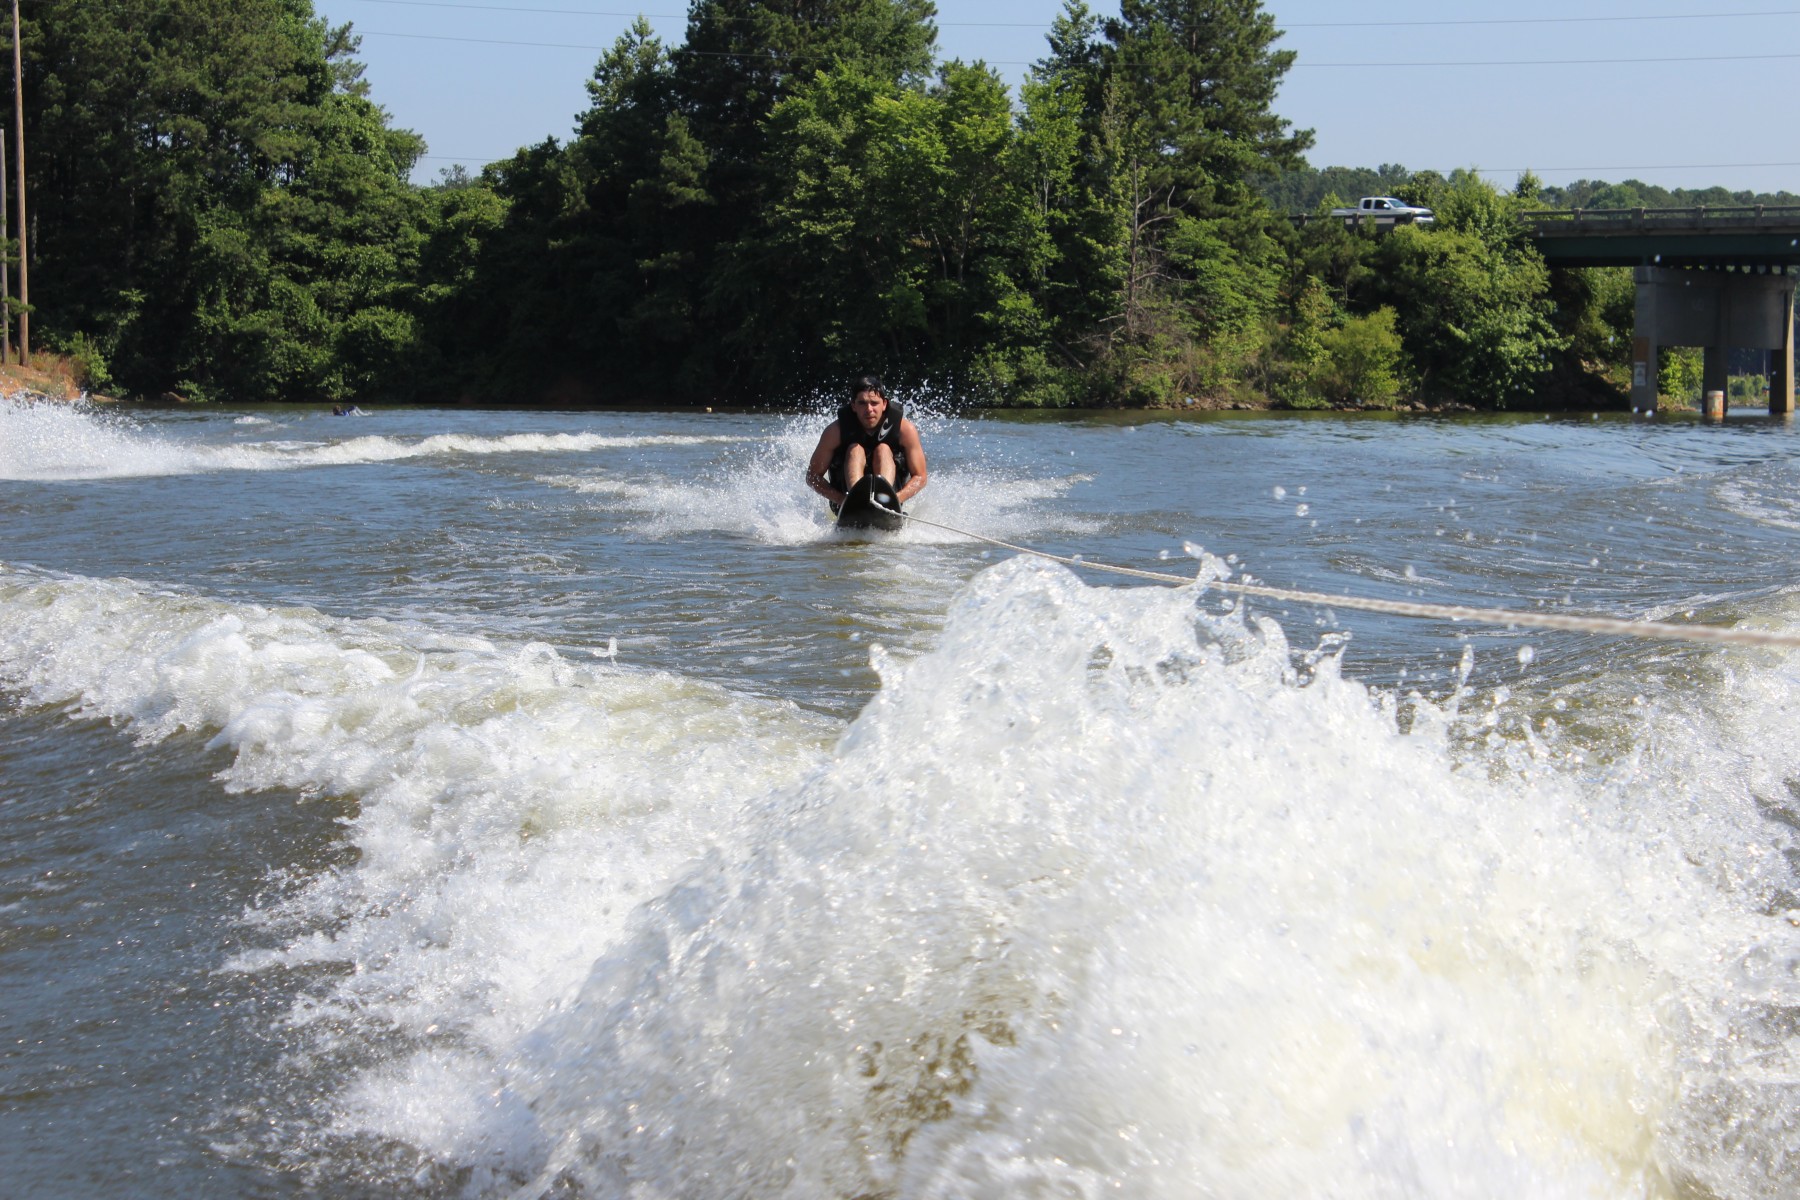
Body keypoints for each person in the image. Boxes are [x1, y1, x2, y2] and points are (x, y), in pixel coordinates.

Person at [806, 375, 928, 513]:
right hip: (845, 498)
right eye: (862, 403)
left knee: (883, 449)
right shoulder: (835, 431)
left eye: (874, 403)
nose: (869, 409)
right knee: (855, 449)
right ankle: (856, 500)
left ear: (884, 404)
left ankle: (885, 499)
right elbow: (812, 476)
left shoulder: (905, 430)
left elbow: (920, 476)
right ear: (853, 405)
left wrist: (897, 498)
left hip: (891, 497)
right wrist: (841, 499)